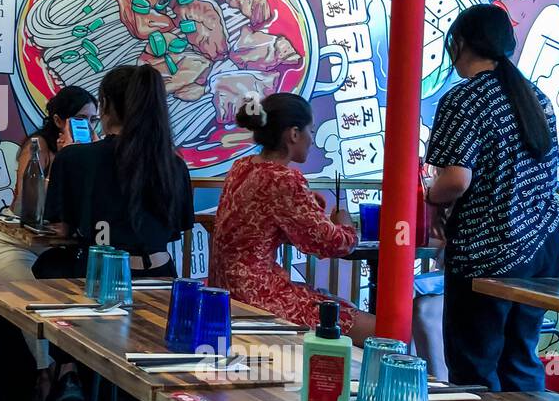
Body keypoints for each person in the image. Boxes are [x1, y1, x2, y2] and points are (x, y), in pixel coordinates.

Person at [425, 4, 559, 392]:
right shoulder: (536, 97)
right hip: (541, 249)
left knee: (475, 370)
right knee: (520, 360)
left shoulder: (464, 99)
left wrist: (430, 198)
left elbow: (455, 180)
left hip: (490, 251)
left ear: (460, 43)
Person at [211, 92, 373, 342]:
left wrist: (309, 207)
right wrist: (346, 224)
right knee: (378, 329)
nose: (312, 139)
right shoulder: (283, 178)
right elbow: (331, 243)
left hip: (226, 292)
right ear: (293, 134)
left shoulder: (241, 167)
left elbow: (263, 225)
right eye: (311, 130)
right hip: (258, 296)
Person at [0, 86, 97, 401]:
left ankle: (67, 375)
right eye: (80, 119)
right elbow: (23, 209)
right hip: (15, 245)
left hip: (60, 252)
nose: (88, 127)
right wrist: (64, 163)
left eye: (93, 120)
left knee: (79, 298)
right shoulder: (37, 146)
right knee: (28, 296)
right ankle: (46, 375)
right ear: (59, 120)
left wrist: (90, 159)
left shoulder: (93, 154)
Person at [43, 64, 193, 277]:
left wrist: (69, 157)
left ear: (105, 105)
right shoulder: (175, 166)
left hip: (101, 278)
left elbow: (60, 228)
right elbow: (176, 228)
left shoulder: (73, 158)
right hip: (163, 278)